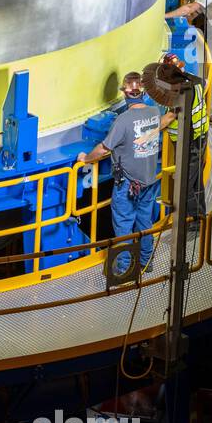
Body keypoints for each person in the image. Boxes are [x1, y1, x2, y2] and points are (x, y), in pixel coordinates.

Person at [78, 71, 163, 275]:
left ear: (125, 93)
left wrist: (85, 158)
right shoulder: (154, 113)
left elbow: (104, 149)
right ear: (142, 92)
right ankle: (146, 260)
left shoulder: (123, 121)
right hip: (149, 181)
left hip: (127, 184)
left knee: (123, 224)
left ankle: (124, 267)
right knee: (144, 221)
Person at [155, 52, 209, 225]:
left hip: (189, 141)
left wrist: (148, 130)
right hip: (201, 135)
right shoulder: (193, 79)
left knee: (183, 184)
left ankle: (194, 221)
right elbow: (206, 84)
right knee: (196, 180)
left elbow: (170, 117)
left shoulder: (179, 91)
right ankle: (200, 215)